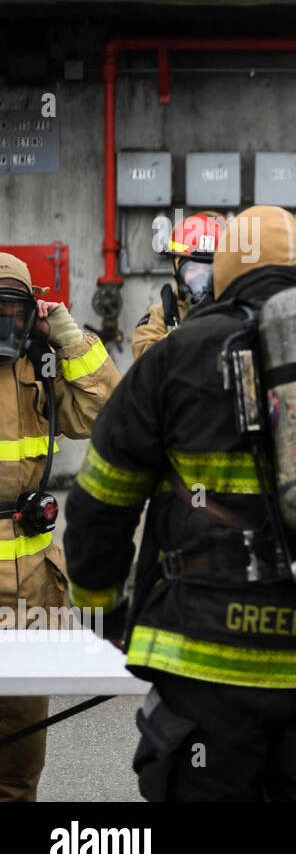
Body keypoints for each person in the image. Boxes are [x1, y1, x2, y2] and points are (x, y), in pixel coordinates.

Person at [64, 206, 296, 801]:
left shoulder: (171, 359)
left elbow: (98, 506)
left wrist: (105, 612)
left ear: (221, 274)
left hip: (205, 665)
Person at [0, 252, 121, 801]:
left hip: (30, 590)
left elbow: (110, 413)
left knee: (20, 760)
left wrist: (68, 338)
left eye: (14, 310)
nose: (6, 323)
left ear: (31, 313)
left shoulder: (42, 367)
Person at [132, 211, 224, 359]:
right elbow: (148, 363)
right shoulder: (159, 317)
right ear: (177, 270)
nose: (200, 277)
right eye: (192, 269)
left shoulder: (238, 308)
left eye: (208, 270)